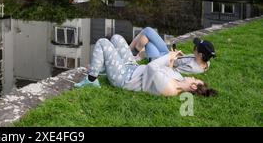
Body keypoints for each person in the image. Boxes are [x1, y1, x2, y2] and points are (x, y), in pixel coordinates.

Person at [75, 35, 217, 97]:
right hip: (133, 67)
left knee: (102, 43)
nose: (192, 77)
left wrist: (167, 57)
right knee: (117, 38)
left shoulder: (170, 89)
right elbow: (167, 69)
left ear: (192, 86)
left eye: (194, 79)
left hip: (124, 77)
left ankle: (92, 80)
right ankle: (105, 68)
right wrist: (171, 59)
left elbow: (151, 68)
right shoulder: (179, 78)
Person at [129, 27, 216, 74]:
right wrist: (180, 55)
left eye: (196, 47)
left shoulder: (193, 68)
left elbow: (171, 73)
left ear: (200, 55)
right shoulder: (205, 61)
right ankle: (131, 52)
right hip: (168, 54)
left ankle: (132, 55)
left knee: (147, 41)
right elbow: (189, 60)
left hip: (161, 61)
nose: (194, 47)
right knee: (148, 30)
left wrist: (172, 59)